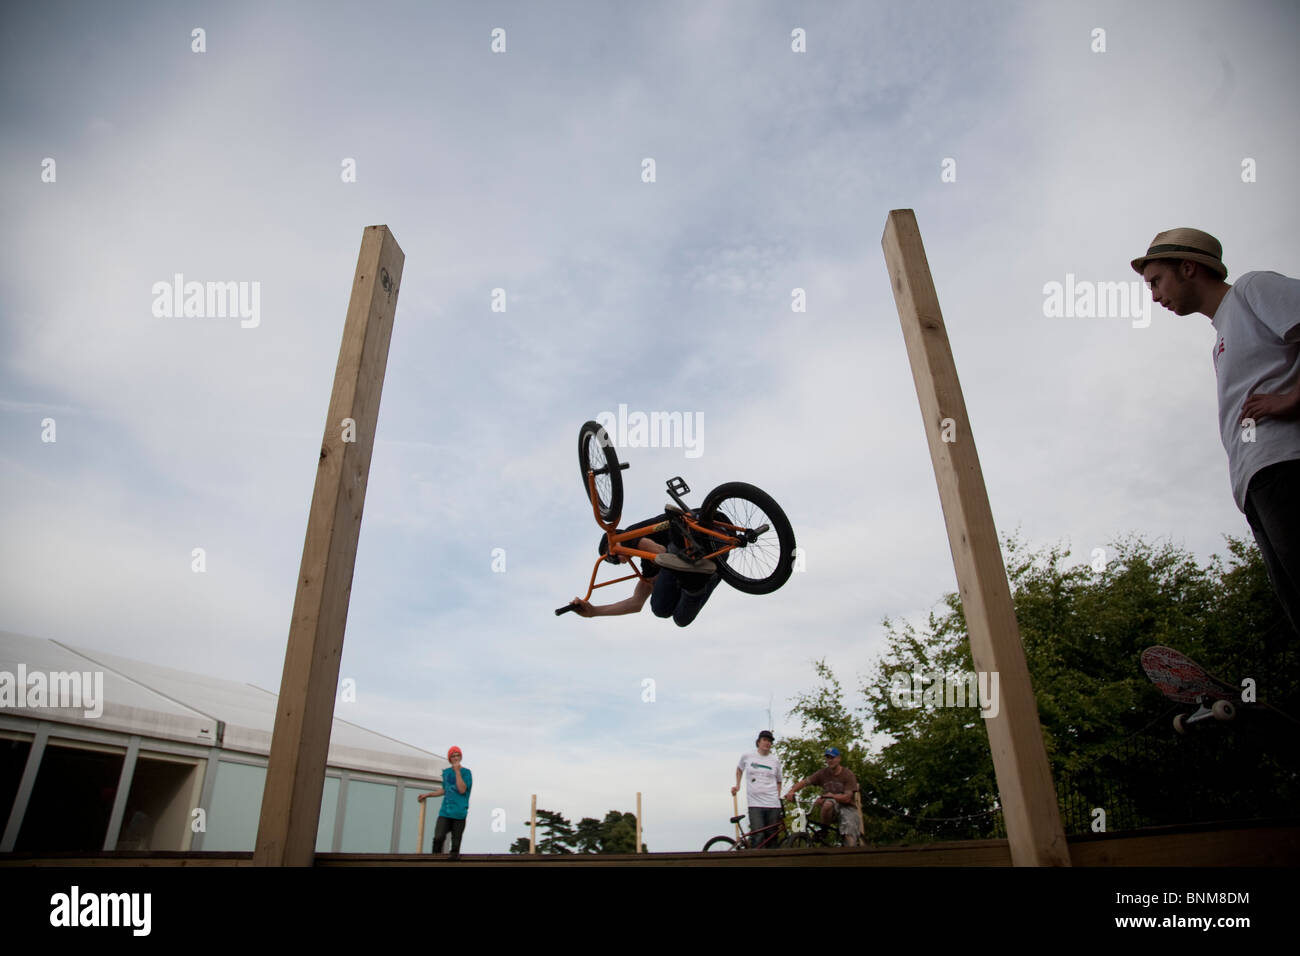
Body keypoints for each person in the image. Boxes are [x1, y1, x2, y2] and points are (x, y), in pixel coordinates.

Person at [1133, 229, 1300, 639]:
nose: (1154, 296)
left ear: (1188, 268)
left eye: (1157, 281)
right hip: (1257, 488)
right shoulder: (1221, 338)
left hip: (1287, 466)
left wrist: (1292, 399)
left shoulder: (1251, 290)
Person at [569, 512, 722, 627]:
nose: (616, 560)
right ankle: (697, 584)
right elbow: (636, 603)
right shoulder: (647, 565)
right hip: (718, 545)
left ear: (612, 544)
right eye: (612, 562)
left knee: (660, 600)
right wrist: (594, 612)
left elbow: (660, 551)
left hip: (700, 529)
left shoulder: (628, 537)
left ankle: (680, 545)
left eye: (610, 556)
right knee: (677, 617)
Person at [784, 747, 862, 847]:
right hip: (831, 806)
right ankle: (824, 831)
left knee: (849, 837)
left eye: (832, 758)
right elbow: (805, 782)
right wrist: (792, 791)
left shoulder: (848, 774)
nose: (830, 761)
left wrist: (832, 796)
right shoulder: (823, 773)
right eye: (827, 758)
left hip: (847, 807)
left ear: (839, 758)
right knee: (827, 804)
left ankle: (852, 853)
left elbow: (847, 798)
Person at [418, 745, 472, 858]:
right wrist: (428, 794)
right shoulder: (446, 772)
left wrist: (457, 772)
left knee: (455, 847)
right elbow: (445, 789)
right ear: (450, 759)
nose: (456, 758)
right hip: (445, 812)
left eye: (458, 755)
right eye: (453, 756)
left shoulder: (466, 773)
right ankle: (434, 861)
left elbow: (462, 790)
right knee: (438, 838)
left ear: (460, 757)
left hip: (459, 813)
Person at [732, 730, 784, 845]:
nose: (767, 743)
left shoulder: (775, 761)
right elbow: (739, 769)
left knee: (772, 836)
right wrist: (738, 785)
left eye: (770, 741)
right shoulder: (747, 756)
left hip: (772, 804)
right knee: (758, 835)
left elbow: (779, 781)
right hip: (755, 804)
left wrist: (778, 796)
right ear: (758, 742)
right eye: (765, 740)